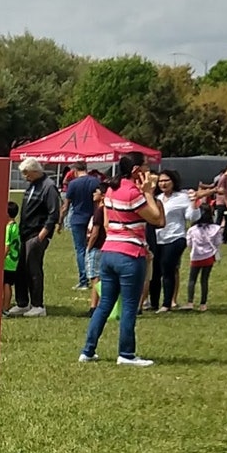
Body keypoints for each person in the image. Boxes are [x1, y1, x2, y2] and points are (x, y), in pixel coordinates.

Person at [78, 154, 164, 365]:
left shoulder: (112, 190)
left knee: (104, 304)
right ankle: (126, 354)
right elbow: (158, 219)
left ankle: (88, 351)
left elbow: (107, 224)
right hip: (130, 255)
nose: (149, 170)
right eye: (146, 166)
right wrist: (149, 193)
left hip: (109, 252)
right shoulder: (134, 193)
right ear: (136, 170)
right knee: (129, 306)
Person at [7, 158, 61, 318]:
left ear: (35, 171)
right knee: (20, 269)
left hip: (36, 234)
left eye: (26, 173)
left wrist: (42, 235)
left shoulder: (48, 187)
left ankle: (38, 305)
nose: (24, 176)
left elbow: (53, 213)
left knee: (33, 268)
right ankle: (22, 303)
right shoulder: (32, 185)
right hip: (24, 233)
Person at [152, 169, 199, 312]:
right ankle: (153, 303)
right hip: (158, 238)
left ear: (173, 181)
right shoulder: (157, 198)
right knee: (154, 272)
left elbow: (192, 217)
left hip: (175, 237)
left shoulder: (182, 197)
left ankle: (167, 304)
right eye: (160, 181)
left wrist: (193, 203)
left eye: (166, 180)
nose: (163, 184)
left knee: (168, 269)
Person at [61, 162, 100, 290]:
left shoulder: (73, 184)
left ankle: (83, 280)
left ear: (75, 170)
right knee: (93, 248)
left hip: (77, 219)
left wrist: (60, 221)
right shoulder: (95, 181)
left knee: (80, 250)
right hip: (93, 218)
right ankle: (94, 275)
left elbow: (65, 206)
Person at [183, 209, 224, 310]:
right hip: (209, 256)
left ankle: (190, 302)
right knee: (204, 280)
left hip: (196, 256)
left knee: (192, 279)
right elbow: (218, 242)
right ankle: (203, 304)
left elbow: (189, 243)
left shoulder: (192, 230)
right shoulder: (215, 229)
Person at [84, 180, 107, 311]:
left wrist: (89, 247)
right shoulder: (105, 209)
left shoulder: (100, 211)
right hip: (103, 248)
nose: (93, 194)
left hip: (97, 248)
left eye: (96, 192)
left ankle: (94, 306)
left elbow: (95, 232)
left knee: (95, 277)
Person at [2, 200, 21, 315]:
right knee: (7, 283)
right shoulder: (15, 226)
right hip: (15, 260)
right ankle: (5, 306)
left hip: (8, 261)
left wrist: (1, 259)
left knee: (6, 284)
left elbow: (7, 246)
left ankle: (5, 308)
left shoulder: (8, 228)